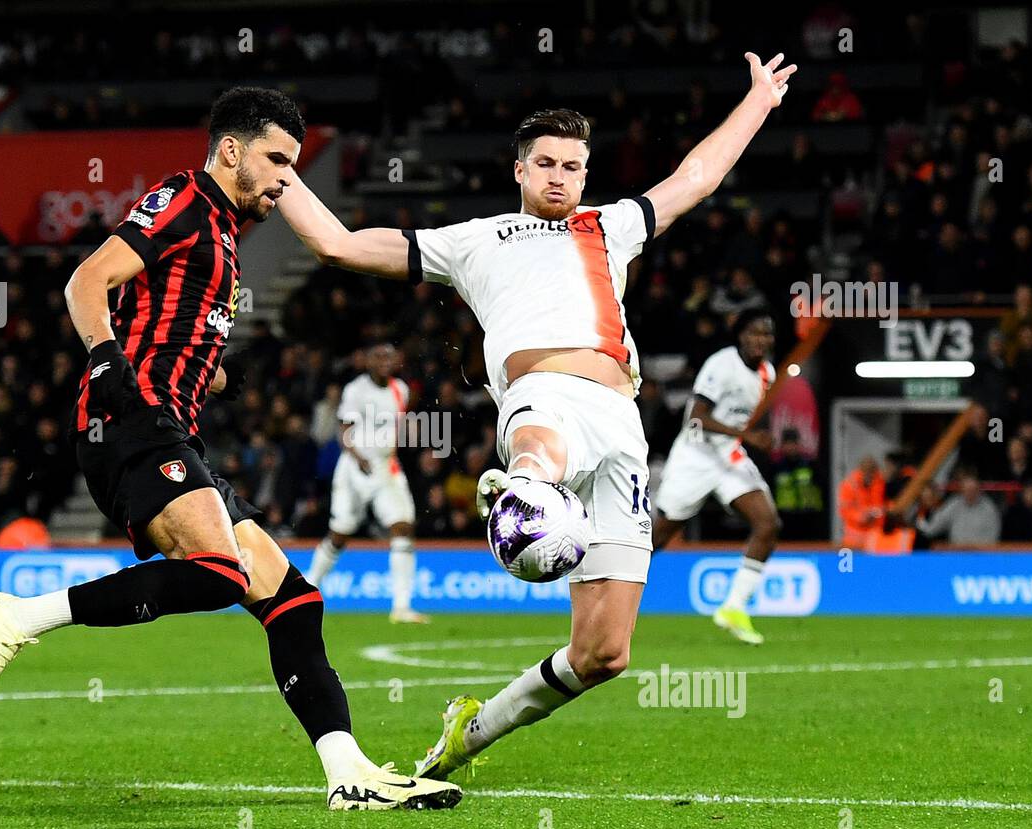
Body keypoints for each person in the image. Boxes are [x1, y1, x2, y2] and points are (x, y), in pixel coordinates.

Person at [276, 53, 796, 780]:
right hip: (543, 395)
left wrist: (759, 103)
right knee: (540, 447)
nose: (559, 175)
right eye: (545, 162)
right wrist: (281, 169)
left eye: (573, 165)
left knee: (604, 654)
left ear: (586, 176)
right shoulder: (474, 239)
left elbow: (697, 179)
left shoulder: (612, 226)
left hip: (621, 425)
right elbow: (336, 243)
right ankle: (518, 486)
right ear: (519, 170)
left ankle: (471, 730)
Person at [0, 87, 459, 812]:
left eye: (293, 164)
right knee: (222, 573)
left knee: (292, 599)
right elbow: (87, 281)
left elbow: (170, 321)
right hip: (130, 422)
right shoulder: (183, 198)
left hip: (175, 427)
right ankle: (15, 616)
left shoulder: (225, 234)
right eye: (277, 160)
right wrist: (104, 358)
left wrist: (213, 371)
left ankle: (349, 775)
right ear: (232, 150)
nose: (288, 178)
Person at [651, 311, 778, 644]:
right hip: (695, 454)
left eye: (766, 334)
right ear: (740, 335)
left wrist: (757, 436)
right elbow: (695, 419)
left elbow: (747, 419)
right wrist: (746, 435)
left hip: (729, 456)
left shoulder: (768, 374)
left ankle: (734, 607)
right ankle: (608, 589)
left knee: (768, 524)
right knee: (659, 534)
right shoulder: (721, 364)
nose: (760, 340)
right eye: (753, 333)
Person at [305, 343, 429, 623]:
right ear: (368, 362)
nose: (385, 361)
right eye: (379, 357)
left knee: (402, 526)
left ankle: (401, 607)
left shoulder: (401, 389)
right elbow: (345, 430)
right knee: (341, 532)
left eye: (389, 357)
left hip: (387, 468)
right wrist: (358, 456)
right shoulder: (356, 390)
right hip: (355, 468)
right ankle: (308, 586)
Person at [838, 455, 886, 549]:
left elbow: (883, 504)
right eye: (868, 472)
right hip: (855, 539)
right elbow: (845, 510)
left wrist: (880, 511)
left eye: (873, 472)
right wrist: (861, 517)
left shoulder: (880, 483)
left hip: (876, 537)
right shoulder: (849, 485)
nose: (871, 475)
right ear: (862, 470)